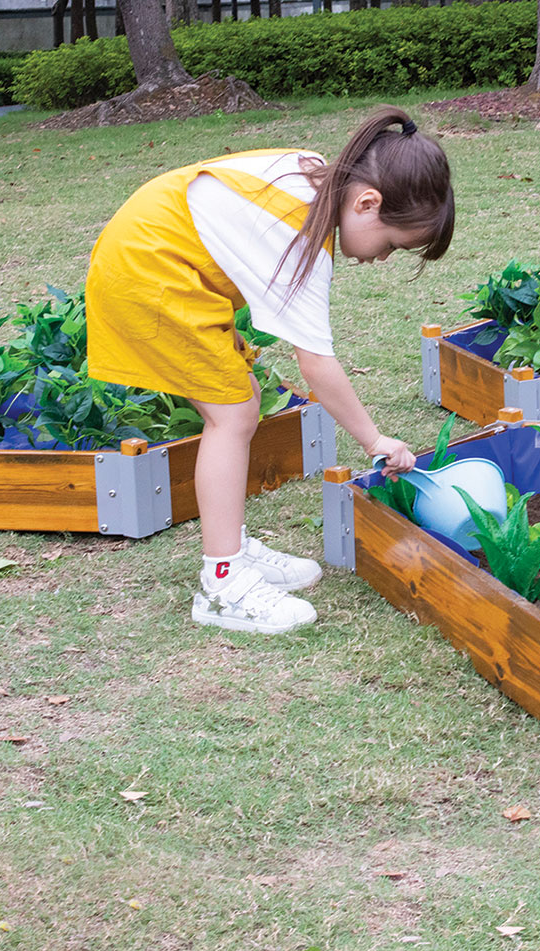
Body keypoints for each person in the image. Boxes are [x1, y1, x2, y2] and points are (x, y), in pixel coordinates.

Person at [85, 106, 454, 634]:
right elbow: (317, 365)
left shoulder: (315, 174)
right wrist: (375, 439)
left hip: (168, 259)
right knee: (232, 416)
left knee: (241, 401)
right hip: (149, 271)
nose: (384, 258)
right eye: (394, 244)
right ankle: (223, 583)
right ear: (367, 202)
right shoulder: (299, 232)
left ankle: (231, 547)